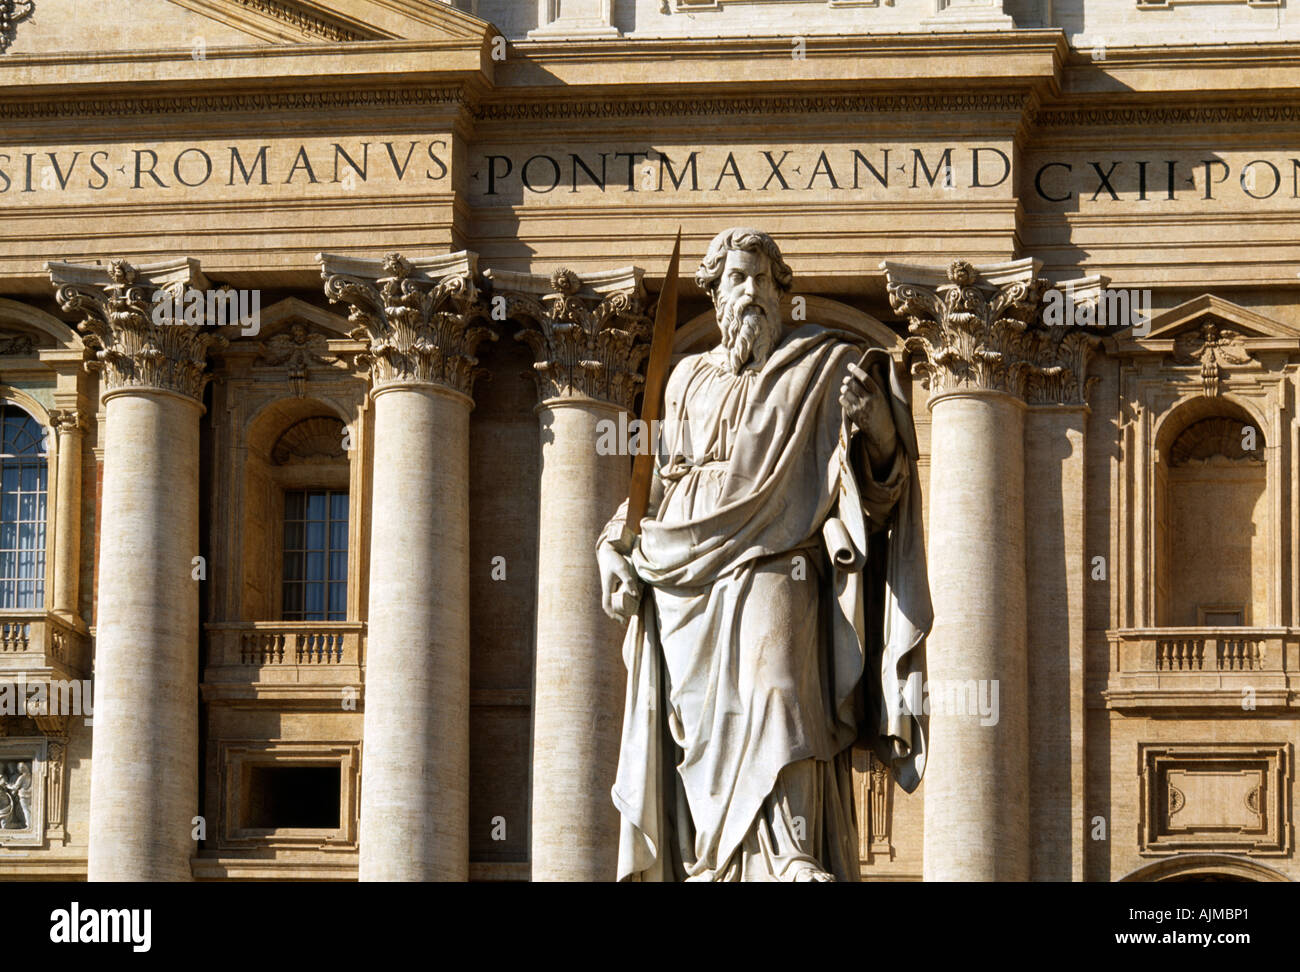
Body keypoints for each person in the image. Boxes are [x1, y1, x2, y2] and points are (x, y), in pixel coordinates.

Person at [597, 227, 931, 881]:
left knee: (779, 689)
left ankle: (790, 852)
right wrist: (614, 542)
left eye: (759, 279)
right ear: (716, 294)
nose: (748, 292)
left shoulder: (825, 366)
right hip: (685, 586)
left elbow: (882, 498)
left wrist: (885, 435)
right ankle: (711, 862)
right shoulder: (686, 380)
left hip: (782, 562)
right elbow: (658, 485)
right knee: (698, 730)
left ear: (782, 293)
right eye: (735, 280)